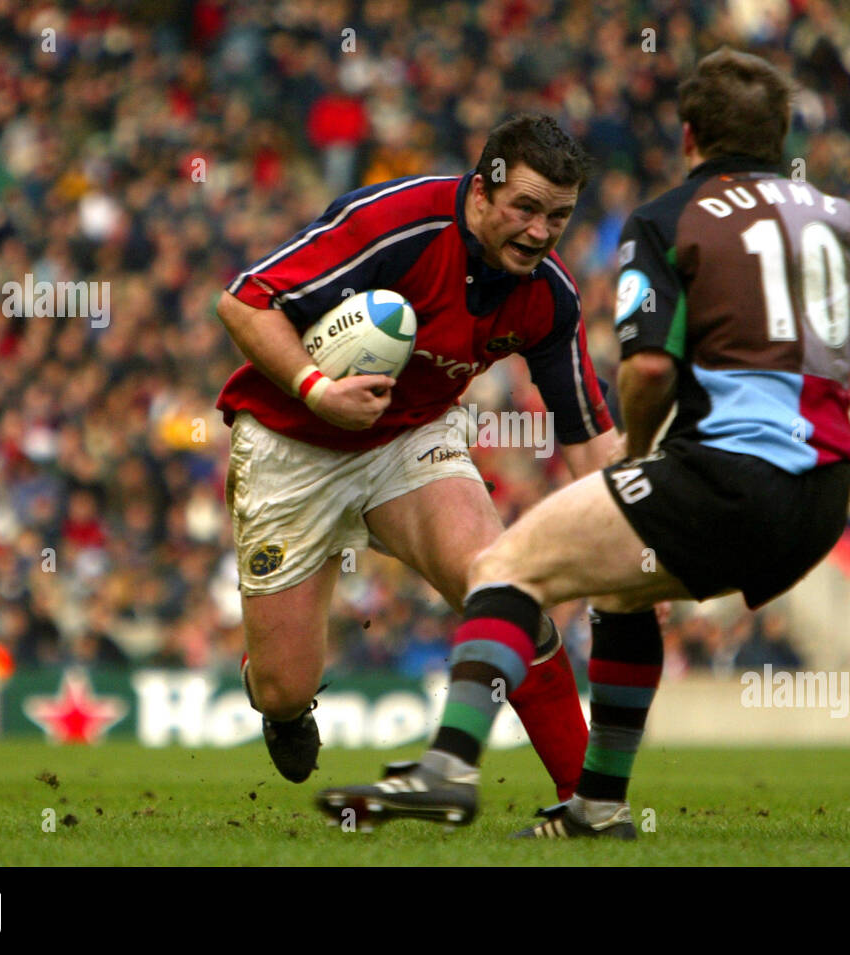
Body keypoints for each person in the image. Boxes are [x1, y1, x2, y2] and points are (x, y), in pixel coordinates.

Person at [317, 47, 850, 837]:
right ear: (780, 138)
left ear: (689, 134)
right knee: (622, 592)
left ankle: (446, 770)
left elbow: (651, 368)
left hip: (725, 476)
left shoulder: (669, 219)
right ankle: (598, 806)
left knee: (505, 570)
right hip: (822, 503)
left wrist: (638, 457)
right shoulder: (849, 224)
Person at [215, 114, 618, 798]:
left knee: (506, 590)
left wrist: (628, 544)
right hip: (292, 442)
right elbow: (244, 302)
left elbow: (582, 433)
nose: (541, 232)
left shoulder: (548, 294)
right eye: (525, 208)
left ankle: (590, 802)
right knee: (287, 685)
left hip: (412, 438)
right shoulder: (396, 223)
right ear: (482, 193)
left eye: (559, 215)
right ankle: (280, 706)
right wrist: (318, 390)